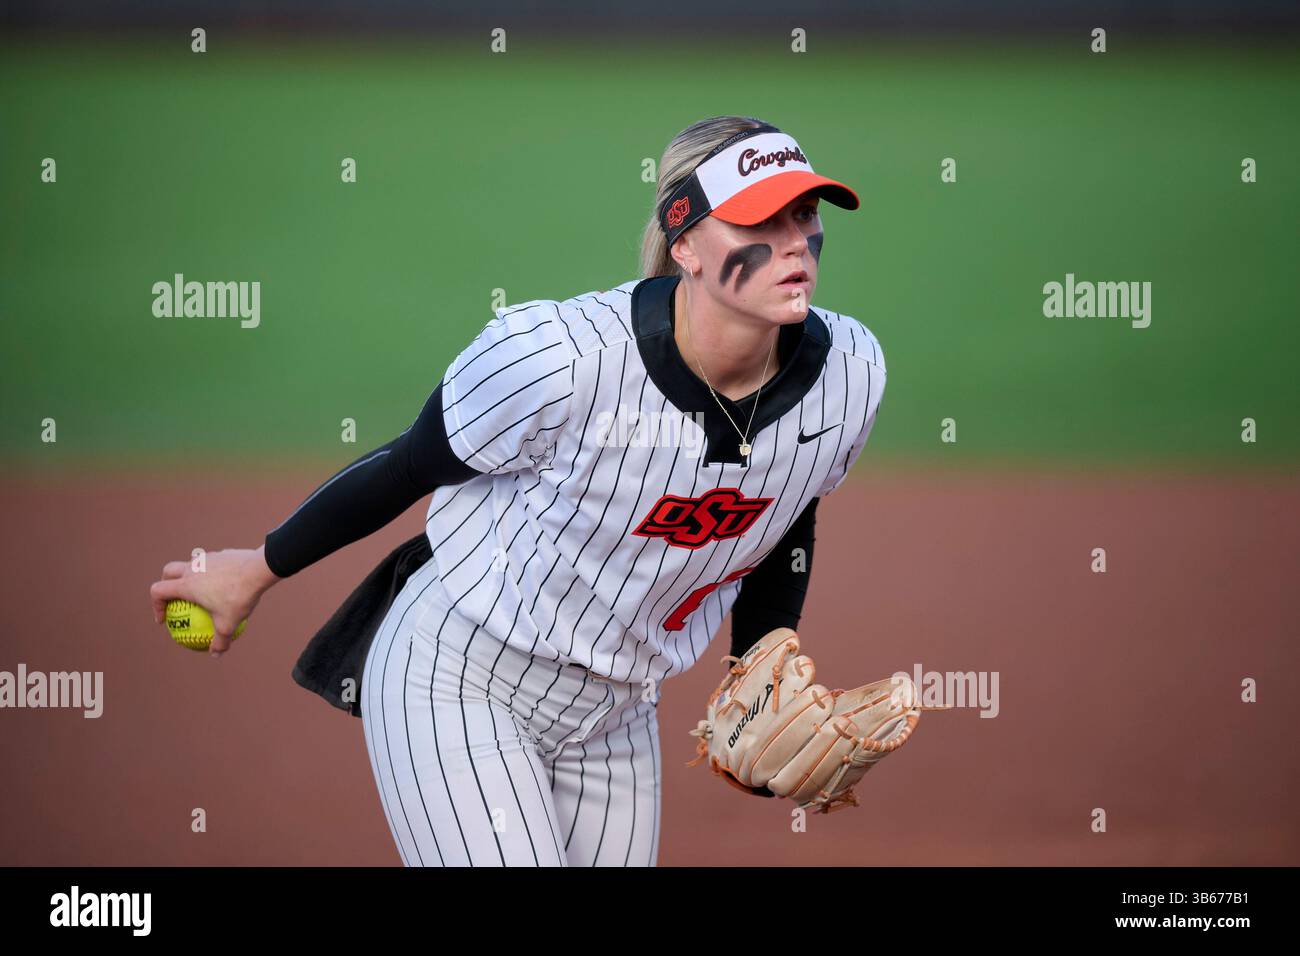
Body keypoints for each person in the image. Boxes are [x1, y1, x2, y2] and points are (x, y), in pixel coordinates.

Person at [149, 114, 886, 866]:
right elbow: (411, 465)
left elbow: (785, 506)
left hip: (618, 717)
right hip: (462, 677)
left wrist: (757, 664)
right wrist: (260, 567)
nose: (796, 239)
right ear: (687, 243)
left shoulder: (849, 374)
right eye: (762, 216)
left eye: (805, 212)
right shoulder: (559, 360)